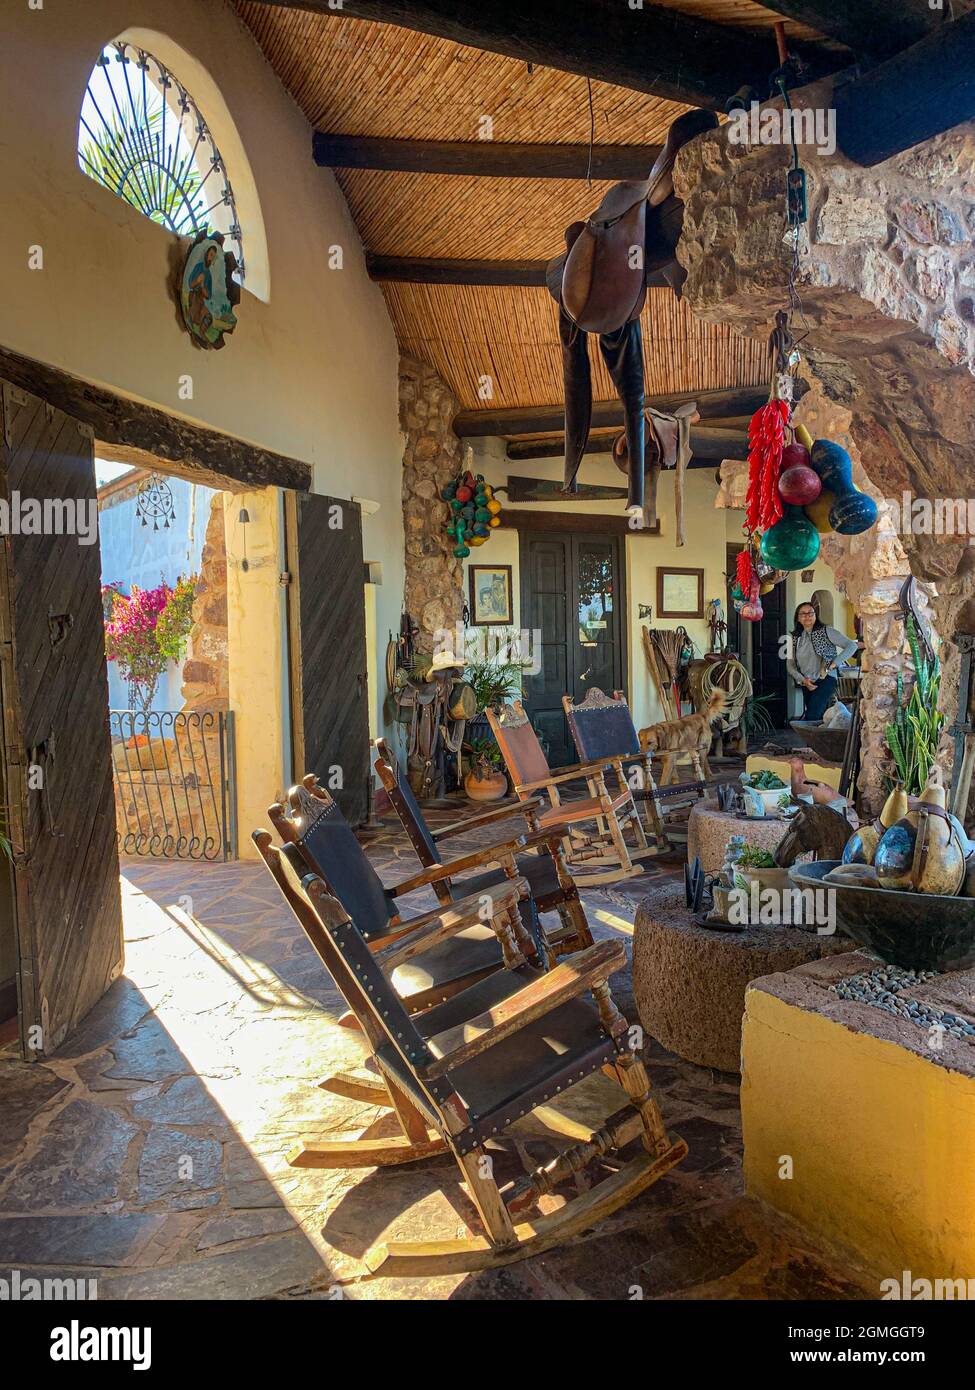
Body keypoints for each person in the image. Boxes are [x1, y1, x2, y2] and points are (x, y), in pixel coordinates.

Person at [786, 602, 859, 721]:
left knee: (812, 716)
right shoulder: (793, 639)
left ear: (815, 615)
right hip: (806, 682)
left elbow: (851, 646)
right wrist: (803, 680)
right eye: (803, 614)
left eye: (810, 612)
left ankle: (814, 739)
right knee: (817, 716)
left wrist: (835, 663)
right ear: (798, 618)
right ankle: (822, 738)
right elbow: (790, 665)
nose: (807, 616)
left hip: (825, 678)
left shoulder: (827, 631)